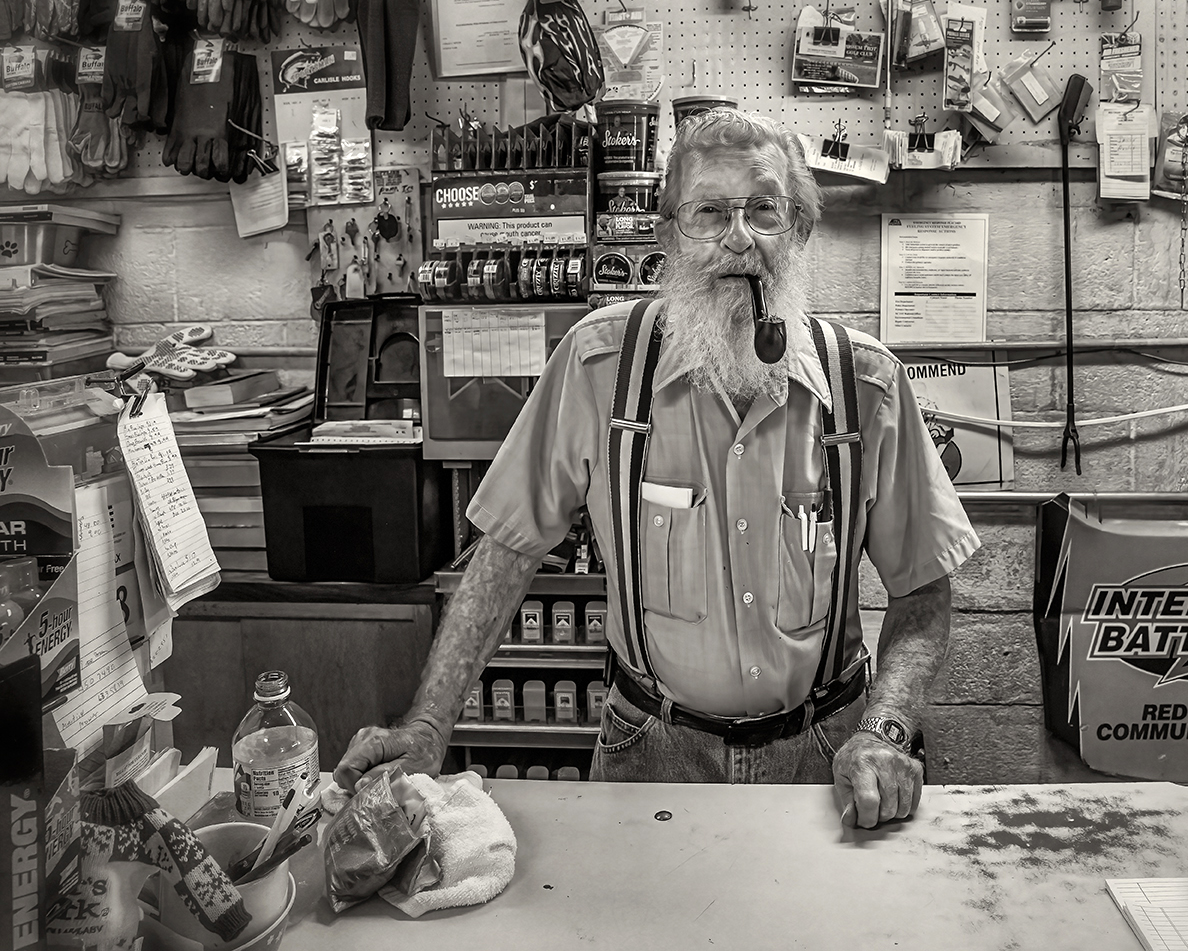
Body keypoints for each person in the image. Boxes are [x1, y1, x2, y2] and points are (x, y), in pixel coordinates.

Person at [336, 109, 981, 829]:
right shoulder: (597, 366)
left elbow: (923, 594)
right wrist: (428, 724)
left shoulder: (868, 386)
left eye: (764, 209)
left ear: (799, 230)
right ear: (670, 234)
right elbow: (506, 551)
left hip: (825, 756)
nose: (739, 237)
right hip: (651, 753)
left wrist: (885, 729)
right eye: (709, 212)